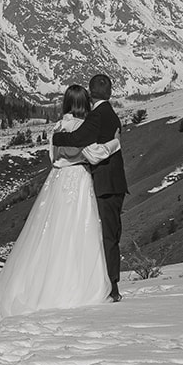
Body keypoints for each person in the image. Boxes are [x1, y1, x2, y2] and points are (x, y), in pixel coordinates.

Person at [0, 84, 116, 318]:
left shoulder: (58, 126)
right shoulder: (81, 127)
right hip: (78, 177)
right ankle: (77, 286)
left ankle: (38, 284)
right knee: (79, 230)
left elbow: (52, 156)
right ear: (85, 104)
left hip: (57, 179)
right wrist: (114, 143)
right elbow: (93, 154)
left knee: (49, 231)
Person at [52, 73, 127, 300]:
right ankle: (109, 285)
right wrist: (115, 142)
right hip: (105, 182)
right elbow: (88, 149)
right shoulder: (110, 115)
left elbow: (78, 143)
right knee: (104, 235)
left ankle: (107, 285)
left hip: (99, 183)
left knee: (91, 235)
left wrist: (56, 139)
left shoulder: (88, 119)